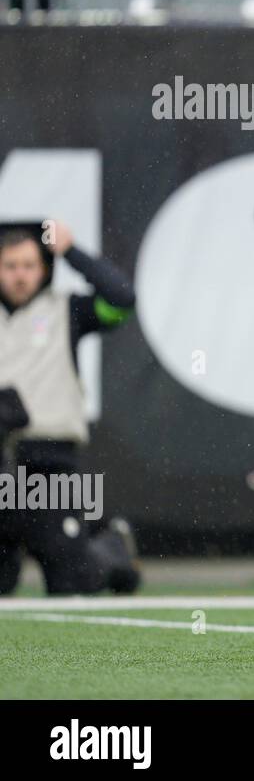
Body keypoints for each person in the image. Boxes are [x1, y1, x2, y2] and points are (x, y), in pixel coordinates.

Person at [0, 221, 139, 596]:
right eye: (10, 266)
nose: (19, 276)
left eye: (28, 265)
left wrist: (71, 251)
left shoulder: (68, 311)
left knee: (74, 582)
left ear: (43, 269)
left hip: (51, 464)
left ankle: (110, 550)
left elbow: (122, 299)